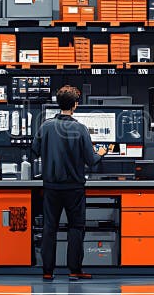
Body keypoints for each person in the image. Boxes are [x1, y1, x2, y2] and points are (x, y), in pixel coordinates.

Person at [32, 85, 108, 281]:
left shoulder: (45, 126)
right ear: (75, 105)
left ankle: (47, 272)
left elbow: (35, 150)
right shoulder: (80, 129)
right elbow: (91, 160)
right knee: (76, 227)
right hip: (74, 187)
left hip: (51, 186)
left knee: (50, 228)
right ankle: (74, 270)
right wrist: (101, 153)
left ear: (59, 104)